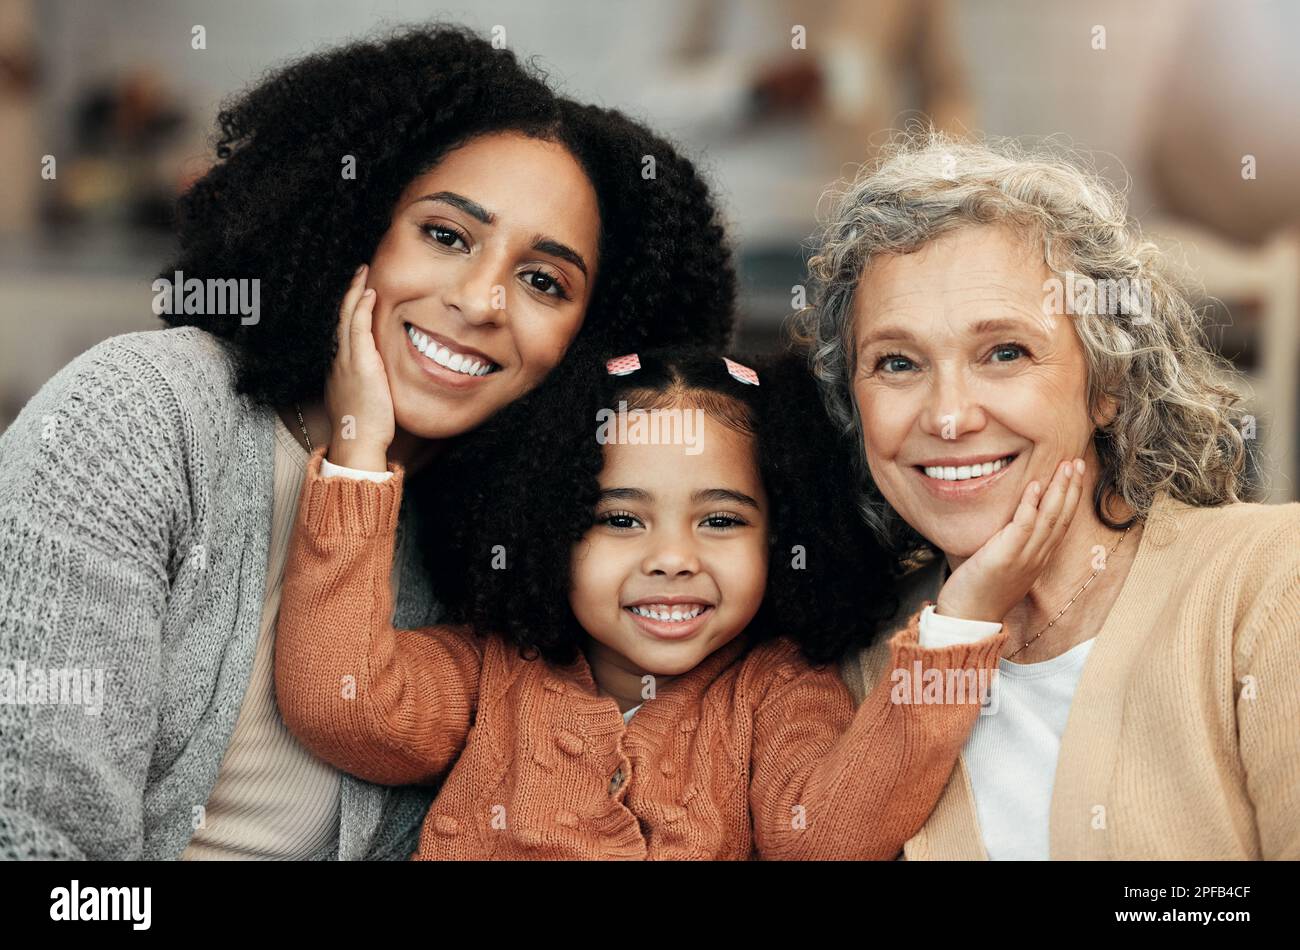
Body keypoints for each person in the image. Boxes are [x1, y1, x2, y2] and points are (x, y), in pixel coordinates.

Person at [0, 24, 735, 861]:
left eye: (544, 281)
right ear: (356, 229)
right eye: (447, 235)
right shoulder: (142, 416)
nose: (482, 299)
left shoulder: (501, 553)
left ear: (588, 339)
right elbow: (34, 832)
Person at [274, 330, 1098, 858]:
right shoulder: (495, 670)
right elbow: (340, 707)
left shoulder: (774, 692)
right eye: (621, 520)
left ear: (781, 538)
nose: (672, 559)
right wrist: (358, 452)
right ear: (549, 528)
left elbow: (830, 838)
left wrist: (962, 625)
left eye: (721, 521)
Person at [796, 132, 1300, 859]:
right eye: (897, 363)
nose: (948, 415)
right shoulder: (857, 671)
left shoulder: (1268, 585)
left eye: (1005, 353)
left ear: (1109, 384)